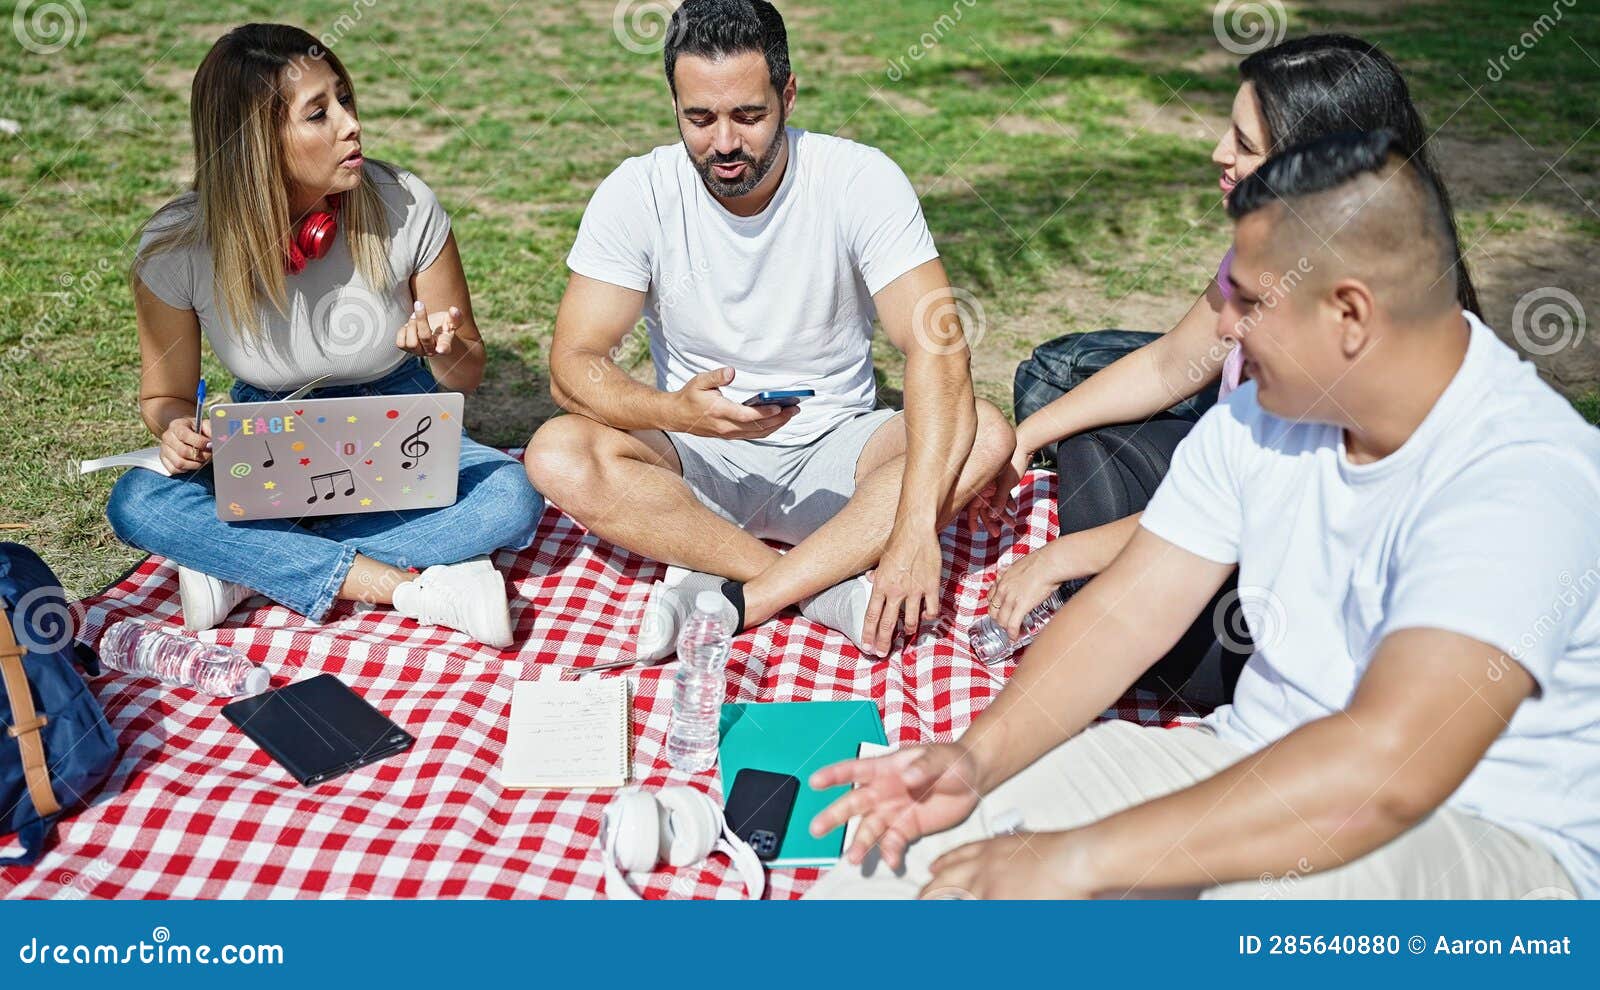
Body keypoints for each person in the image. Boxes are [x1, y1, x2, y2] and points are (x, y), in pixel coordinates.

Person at [804, 131, 1600, 900]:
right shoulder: (1262, 416)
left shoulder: (1522, 475)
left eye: (1249, 302)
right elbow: (1127, 612)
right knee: (922, 851)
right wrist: (975, 761)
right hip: (1250, 765)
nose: (1222, 327)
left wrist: (1079, 862)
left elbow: (1385, 768)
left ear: (1349, 315)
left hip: (1483, 837)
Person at [523, 0, 1012, 659]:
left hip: (838, 459)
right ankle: (820, 591)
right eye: (699, 118)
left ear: (787, 95)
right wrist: (676, 412)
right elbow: (573, 364)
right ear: (674, 103)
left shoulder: (859, 178)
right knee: (556, 453)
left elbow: (936, 344)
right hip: (696, 457)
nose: (723, 142)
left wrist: (916, 529)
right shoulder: (636, 191)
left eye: (747, 116)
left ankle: (743, 594)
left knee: (987, 434)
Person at [982, 35, 1481, 654]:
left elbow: (1255, 510)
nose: (1220, 153)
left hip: (1302, 601)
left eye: (1245, 144)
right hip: (1243, 500)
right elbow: (1173, 361)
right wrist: (1027, 439)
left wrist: (1060, 558)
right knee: (1078, 424)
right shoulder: (1282, 242)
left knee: (1122, 595)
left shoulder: (1356, 324)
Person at [107, 24, 543, 647]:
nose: (350, 123)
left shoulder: (405, 204)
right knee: (135, 502)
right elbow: (165, 400)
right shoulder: (177, 248)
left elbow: (468, 371)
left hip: (399, 424)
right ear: (256, 141)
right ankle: (404, 586)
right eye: (318, 113)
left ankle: (248, 566)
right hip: (269, 432)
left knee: (513, 497)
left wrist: (444, 352)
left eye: (345, 100)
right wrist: (176, 431)